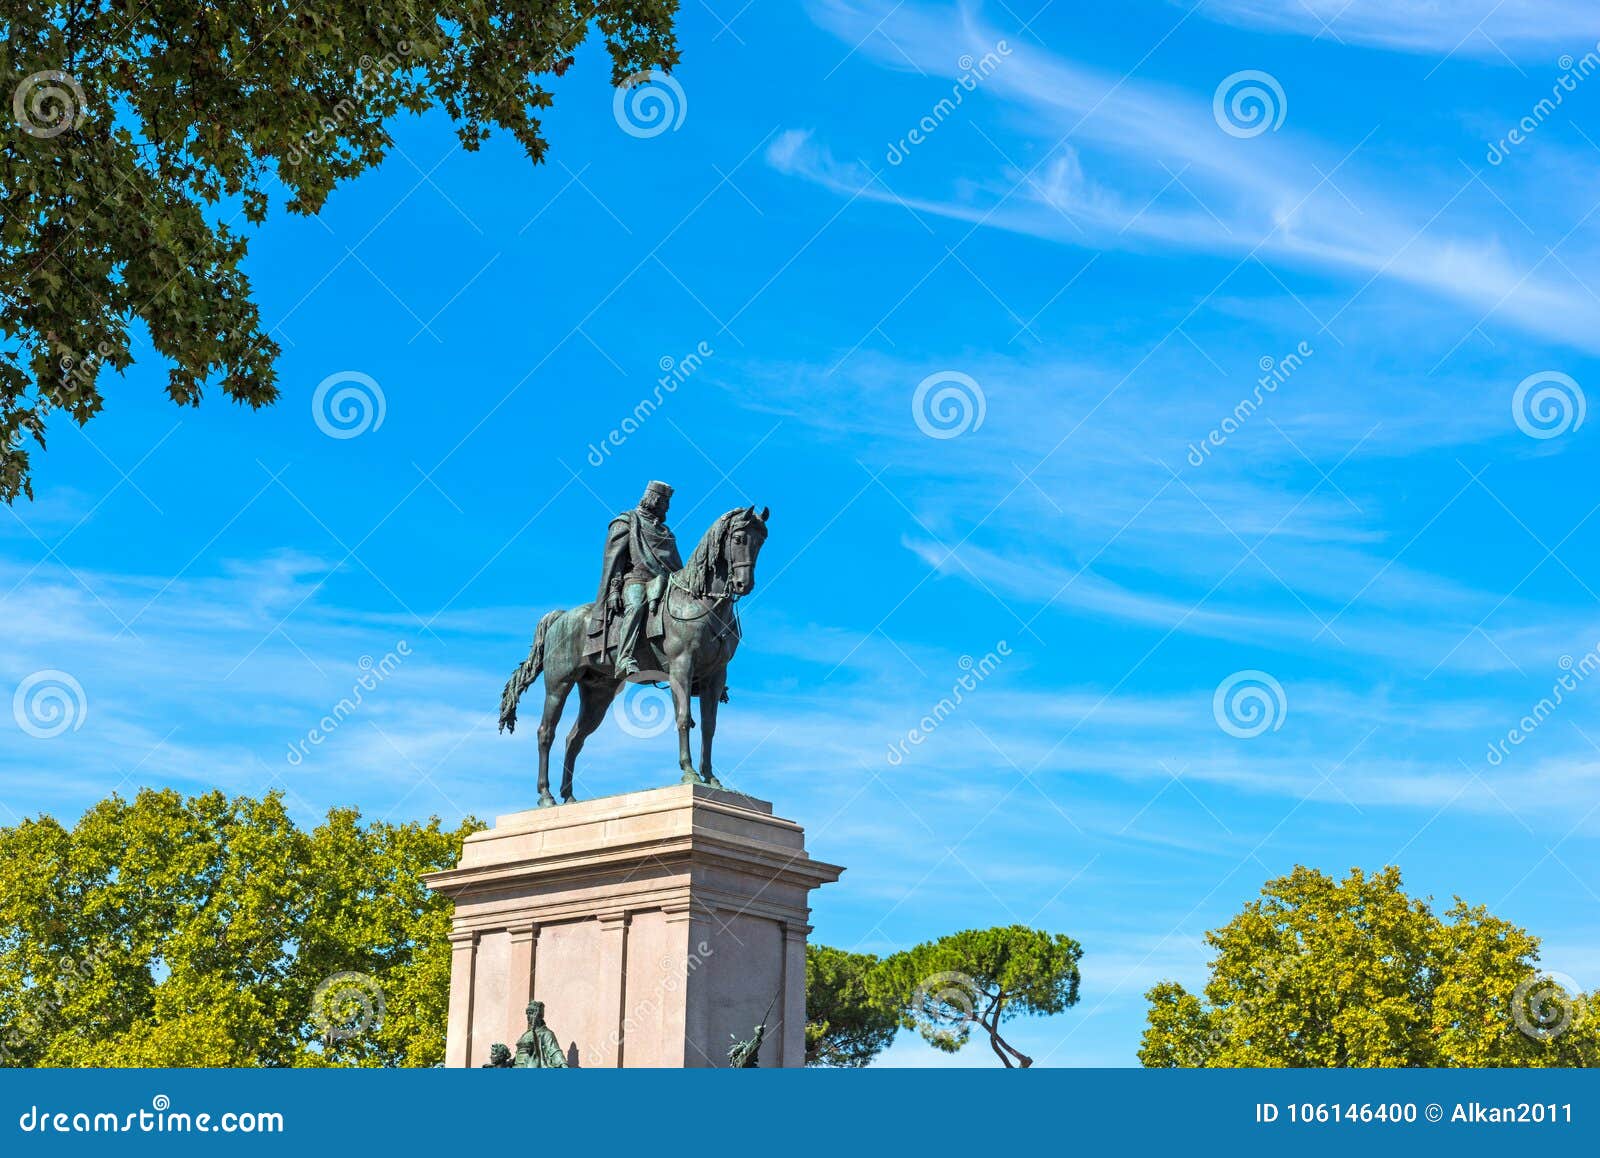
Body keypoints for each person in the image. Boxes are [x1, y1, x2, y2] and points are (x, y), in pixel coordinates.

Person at [593, 481, 682, 677]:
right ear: (655, 501)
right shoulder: (627, 521)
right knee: (636, 605)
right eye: (666, 503)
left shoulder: (666, 532)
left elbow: (677, 567)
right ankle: (624, 658)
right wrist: (615, 590)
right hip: (636, 580)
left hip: (665, 583)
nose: (668, 508)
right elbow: (614, 560)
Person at [512, 1000, 568, 1068]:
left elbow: (554, 1051)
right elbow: (519, 1054)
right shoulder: (525, 1034)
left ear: (538, 1016)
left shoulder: (546, 1033)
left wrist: (563, 1064)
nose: (528, 1016)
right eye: (527, 1014)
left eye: (531, 1013)